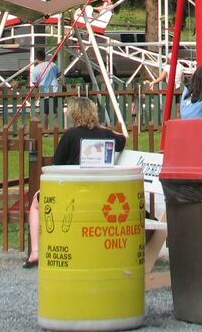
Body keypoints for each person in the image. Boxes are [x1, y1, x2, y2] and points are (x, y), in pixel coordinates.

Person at [23, 96, 127, 268]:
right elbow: (123, 139)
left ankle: (35, 253)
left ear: (73, 114)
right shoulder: (105, 135)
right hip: (100, 190)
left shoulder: (70, 135)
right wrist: (102, 128)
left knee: (35, 203)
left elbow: (57, 165)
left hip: (72, 191)